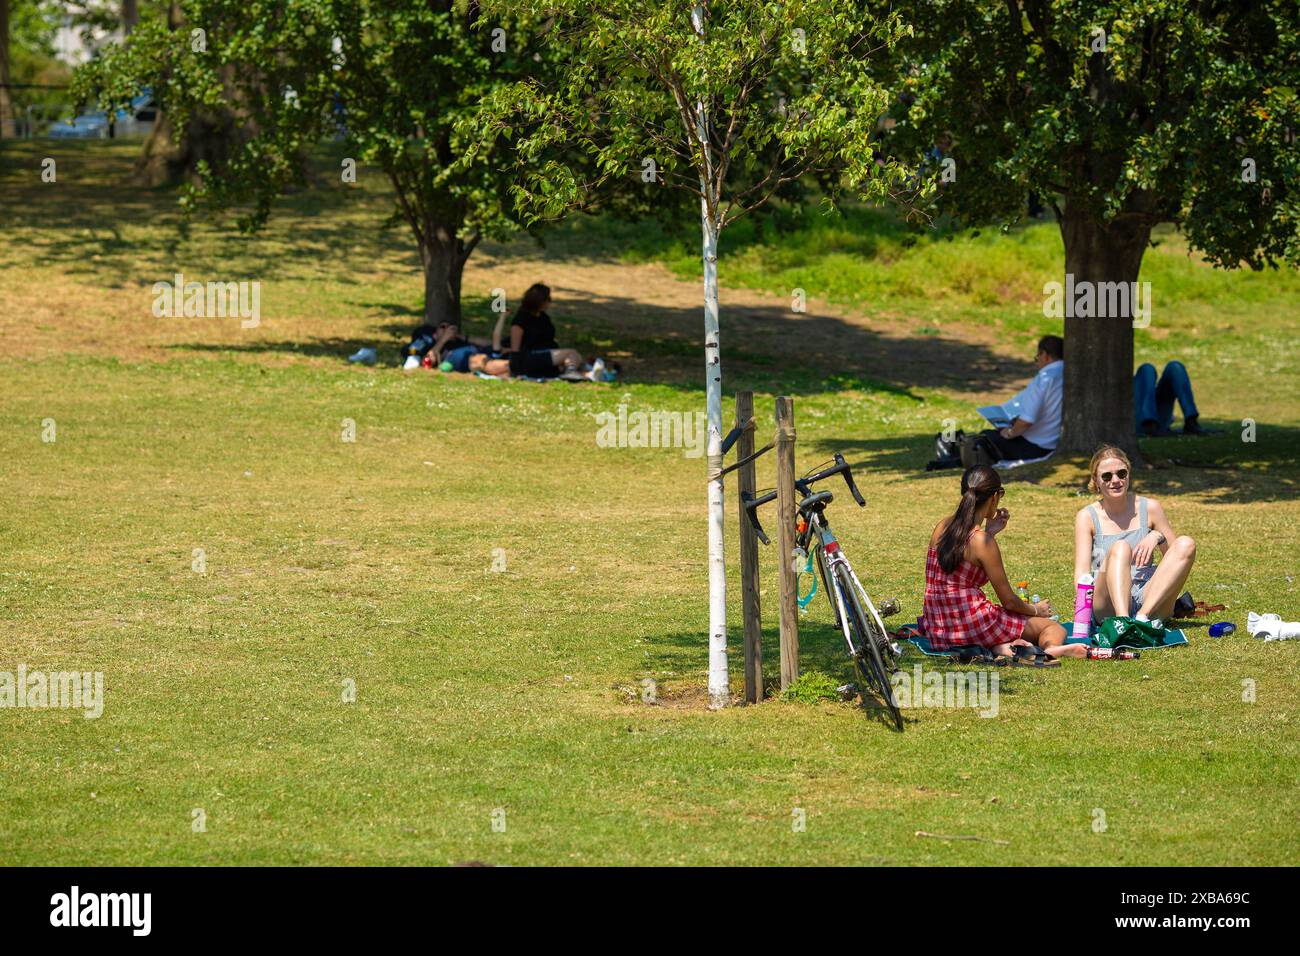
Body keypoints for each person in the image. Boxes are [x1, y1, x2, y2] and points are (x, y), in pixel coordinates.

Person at [923, 465, 1085, 658]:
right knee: (1052, 627)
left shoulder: (942, 526)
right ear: (994, 498)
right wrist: (1036, 610)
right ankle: (1050, 648)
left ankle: (1000, 646)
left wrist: (990, 532)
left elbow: (956, 567)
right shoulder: (982, 541)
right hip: (971, 624)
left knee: (1003, 620)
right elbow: (1009, 601)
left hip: (939, 627)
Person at [1073, 445, 1197, 625]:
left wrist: (1156, 536)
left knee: (1186, 543)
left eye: (1121, 473)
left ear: (1129, 474)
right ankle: (1122, 622)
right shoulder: (1087, 516)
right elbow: (1082, 571)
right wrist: (1082, 597)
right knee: (1121, 547)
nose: (1115, 480)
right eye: (1107, 476)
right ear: (1096, 480)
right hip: (1106, 600)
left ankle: (1141, 619)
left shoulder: (1150, 508)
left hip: (1147, 595)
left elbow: (1176, 557)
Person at [963, 335, 1063, 466]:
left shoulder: (1043, 380)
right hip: (1053, 443)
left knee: (984, 438)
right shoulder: (1068, 374)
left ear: (1044, 354)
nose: (1037, 361)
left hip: (1035, 446)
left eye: (1037, 357)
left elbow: (1027, 421)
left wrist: (1009, 433)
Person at [1134, 361, 1210, 435]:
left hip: (1159, 419)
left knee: (1175, 367)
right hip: (1137, 419)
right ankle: (1147, 421)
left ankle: (1191, 420)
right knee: (1147, 369)